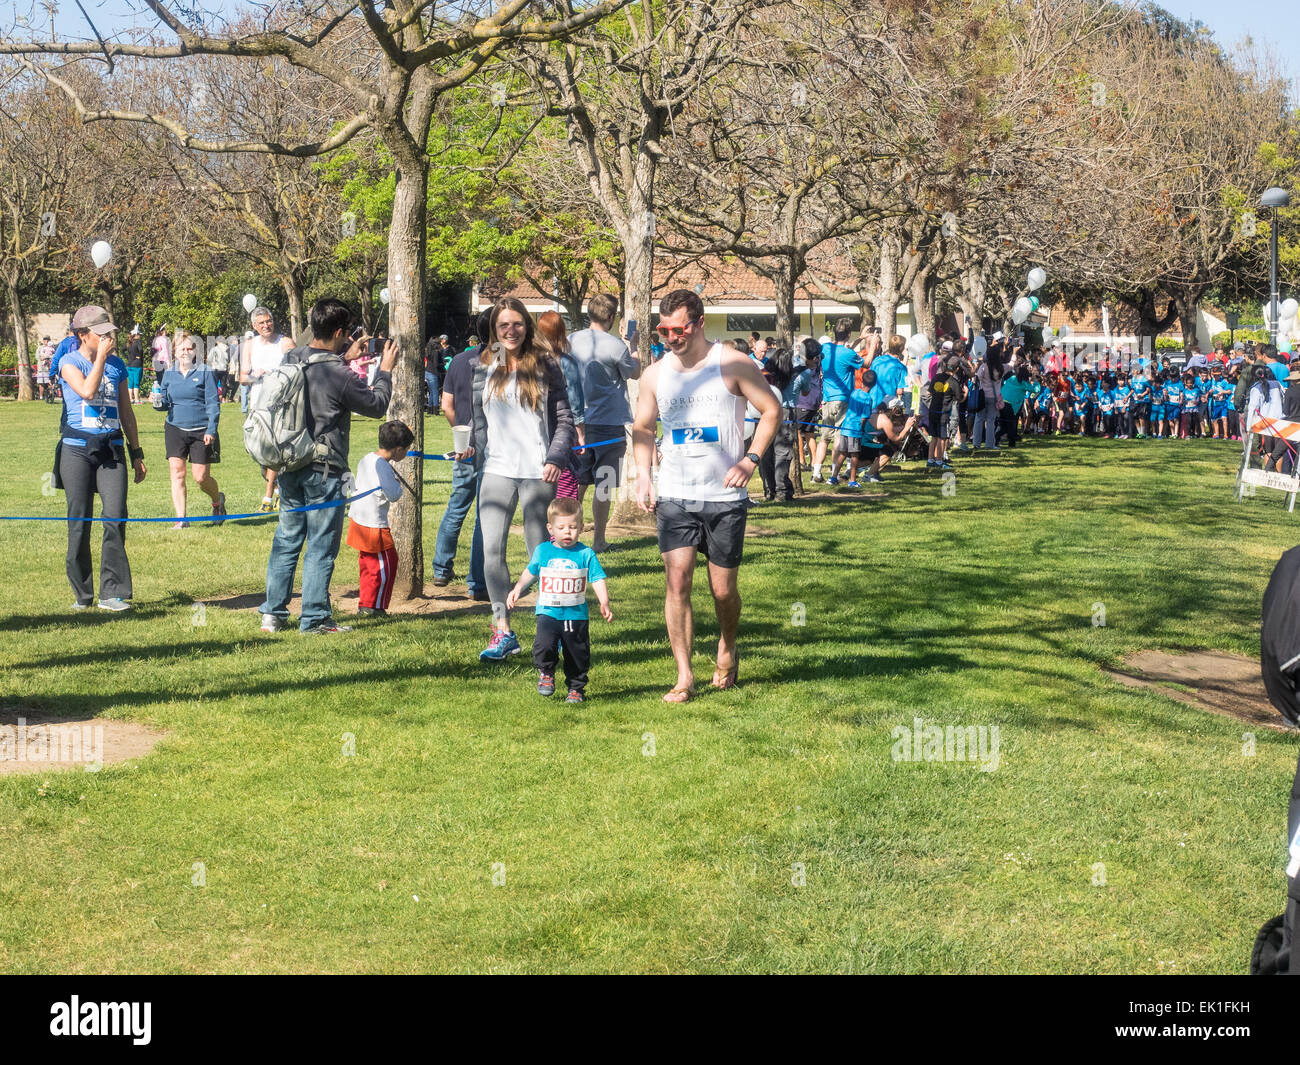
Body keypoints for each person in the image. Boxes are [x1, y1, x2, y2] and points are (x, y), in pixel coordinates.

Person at [631, 288, 781, 703]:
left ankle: (728, 645)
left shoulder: (731, 363)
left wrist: (750, 460)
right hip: (676, 493)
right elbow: (643, 428)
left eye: (677, 329)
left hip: (724, 495)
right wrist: (643, 475)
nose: (669, 337)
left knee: (722, 591)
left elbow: (771, 409)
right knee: (677, 582)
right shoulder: (655, 374)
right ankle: (683, 676)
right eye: (663, 329)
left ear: (698, 324)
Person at [259, 299, 396, 635]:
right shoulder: (340, 375)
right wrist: (386, 371)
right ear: (339, 332)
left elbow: (315, 361)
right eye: (346, 333)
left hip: (289, 463)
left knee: (287, 539)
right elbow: (377, 406)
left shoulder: (292, 357)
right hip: (324, 469)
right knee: (321, 545)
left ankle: (273, 614)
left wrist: (343, 355)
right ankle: (316, 618)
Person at [474, 297, 576, 661]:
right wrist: (471, 446)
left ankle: (551, 628)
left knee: (542, 554)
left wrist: (555, 457)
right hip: (496, 471)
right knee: (491, 554)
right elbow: (480, 418)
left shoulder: (545, 363)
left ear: (526, 326)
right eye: (503, 326)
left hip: (537, 471)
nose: (510, 331)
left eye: (516, 324)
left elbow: (565, 419)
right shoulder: (486, 364)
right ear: (494, 330)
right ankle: (502, 631)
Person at [56, 306, 148, 611]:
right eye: (102, 333)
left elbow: (126, 411)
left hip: (112, 449)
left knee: (115, 515)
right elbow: (86, 390)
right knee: (79, 521)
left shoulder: (118, 365)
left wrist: (136, 453)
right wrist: (101, 360)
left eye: (110, 332)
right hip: (76, 449)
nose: (110, 337)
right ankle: (82, 595)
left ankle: (112, 593)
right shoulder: (69, 362)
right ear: (83, 335)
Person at [505, 496, 612, 703]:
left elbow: (597, 578)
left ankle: (576, 687)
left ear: (581, 527)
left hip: (575, 614)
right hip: (548, 611)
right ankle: (546, 673)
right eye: (561, 527)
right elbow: (531, 571)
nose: (567, 532)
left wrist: (604, 601)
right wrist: (517, 588)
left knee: (577, 652)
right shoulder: (543, 551)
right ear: (550, 528)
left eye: (572, 527)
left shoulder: (585, 553)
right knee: (544, 645)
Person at [567, 292, 640, 552]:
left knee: (578, 482)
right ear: (611, 317)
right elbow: (635, 373)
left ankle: (565, 536)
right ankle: (598, 540)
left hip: (577, 422)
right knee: (604, 484)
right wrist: (634, 346)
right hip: (609, 424)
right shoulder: (616, 346)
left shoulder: (570, 340)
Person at [432, 309, 489, 598]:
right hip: (492, 446)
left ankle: (441, 568)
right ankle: (477, 582)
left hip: (464, 445)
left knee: (457, 506)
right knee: (484, 514)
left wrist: (460, 434)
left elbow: (446, 404)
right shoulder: (500, 362)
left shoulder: (459, 360)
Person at [348, 420, 414, 618]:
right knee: (386, 564)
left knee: (368, 564)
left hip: (358, 519)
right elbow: (393, 494)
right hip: (373, 524)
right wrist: (396, 484)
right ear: (398, 449)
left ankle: (366, 603)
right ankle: (374, 606)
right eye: (406, 450)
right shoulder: (383, 466)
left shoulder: (367, 458)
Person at [160, 334, 226, 529]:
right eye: (181, 349)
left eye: (189, 349)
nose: (185, 352)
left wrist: (211, 429)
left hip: (201, 430)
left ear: (195, 351)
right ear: (175, 352)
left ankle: (217, 500)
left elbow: (213, 403)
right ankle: (181, 519)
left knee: (200, 477)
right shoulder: (169, 373)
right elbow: (163, 402)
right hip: (174, 428)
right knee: (177, 473)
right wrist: (158, 401)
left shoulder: (205, 371)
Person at [241, 307, 295, 513]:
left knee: (275, 449)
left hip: (281, 404)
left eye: (269, 321)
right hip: (257, 405)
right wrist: (258, 375)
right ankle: (281, 489)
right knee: (258, 453)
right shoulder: (249, 345)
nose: (266, 325)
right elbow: (243, 378)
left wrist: (277, 374)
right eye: (261, 323)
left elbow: (297, 371)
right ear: (254, 326)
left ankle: (268, 496)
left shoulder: (285, 343)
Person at [537, 310, 586, 500]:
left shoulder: (532, 362)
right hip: (562, 431)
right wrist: (580, 431)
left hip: (540, 431)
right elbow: (574, 399)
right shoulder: (566, 362)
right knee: (566, 484)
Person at [811, 317, 860, 481]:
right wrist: (872, 342)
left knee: (824, 438)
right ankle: (834, 473)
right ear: (848, 335)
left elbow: (841, 353)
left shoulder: (825, 349)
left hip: (826, 400)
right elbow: (865, 362)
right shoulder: (848, 354)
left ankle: (816, 472)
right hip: (843, 400)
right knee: (839, 437)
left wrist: (857, 340)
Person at [123, 328, 144, 404]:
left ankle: (130, 399)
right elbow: (141, 350)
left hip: (129, 365)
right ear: (136, 335)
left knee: (130, 383)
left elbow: (122, 350)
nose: (140, 336)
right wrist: (139, 356)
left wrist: (127, 357)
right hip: (137, 365)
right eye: (139, 335)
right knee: (136, 383)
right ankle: (137, 400)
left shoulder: (129, 342)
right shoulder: (138, 342)